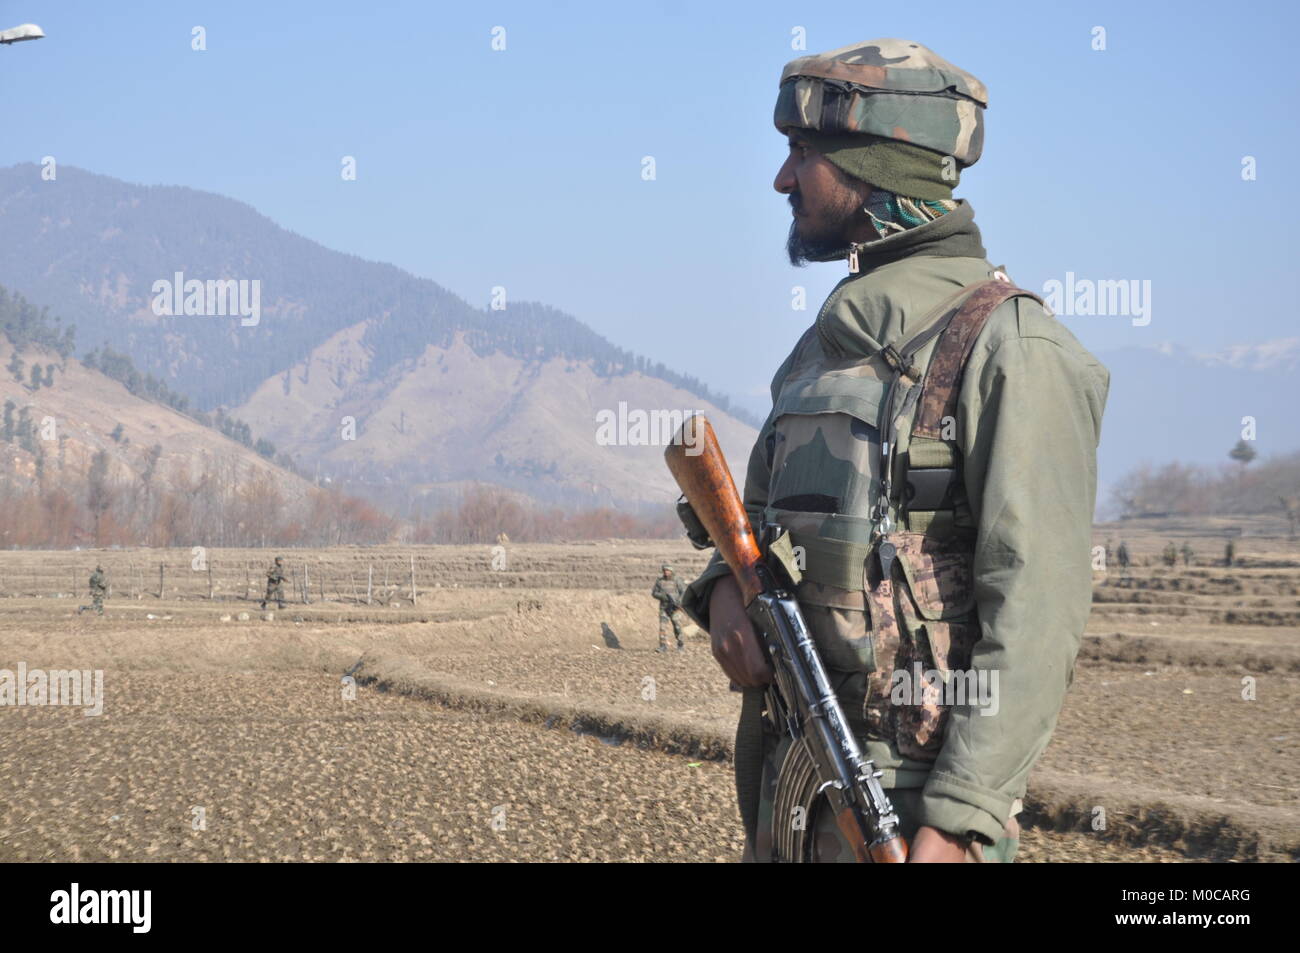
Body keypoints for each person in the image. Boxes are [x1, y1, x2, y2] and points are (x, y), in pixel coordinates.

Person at [679, 39, 1109, 863]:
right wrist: (722, 595)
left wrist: (959, 821)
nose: (780, 178)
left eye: (803, 153)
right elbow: (759, 523)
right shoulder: (822, 351)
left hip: (909, 822)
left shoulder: (1011, 349)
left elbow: (1037, 616)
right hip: (788, 798)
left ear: (878, 167)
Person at [651, 564, 687, 653]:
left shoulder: (677, 580)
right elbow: (654, 593)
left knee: (677, 626)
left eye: (668, 570)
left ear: (672, 571)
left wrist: (678, 601)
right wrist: (663, 596)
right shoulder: (660, 581)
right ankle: (663, 646)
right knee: (662, 627)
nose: (666, 572)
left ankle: (680, 644)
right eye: (664, 570)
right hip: (664, 608)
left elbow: (684, 592)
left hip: (676, 608)